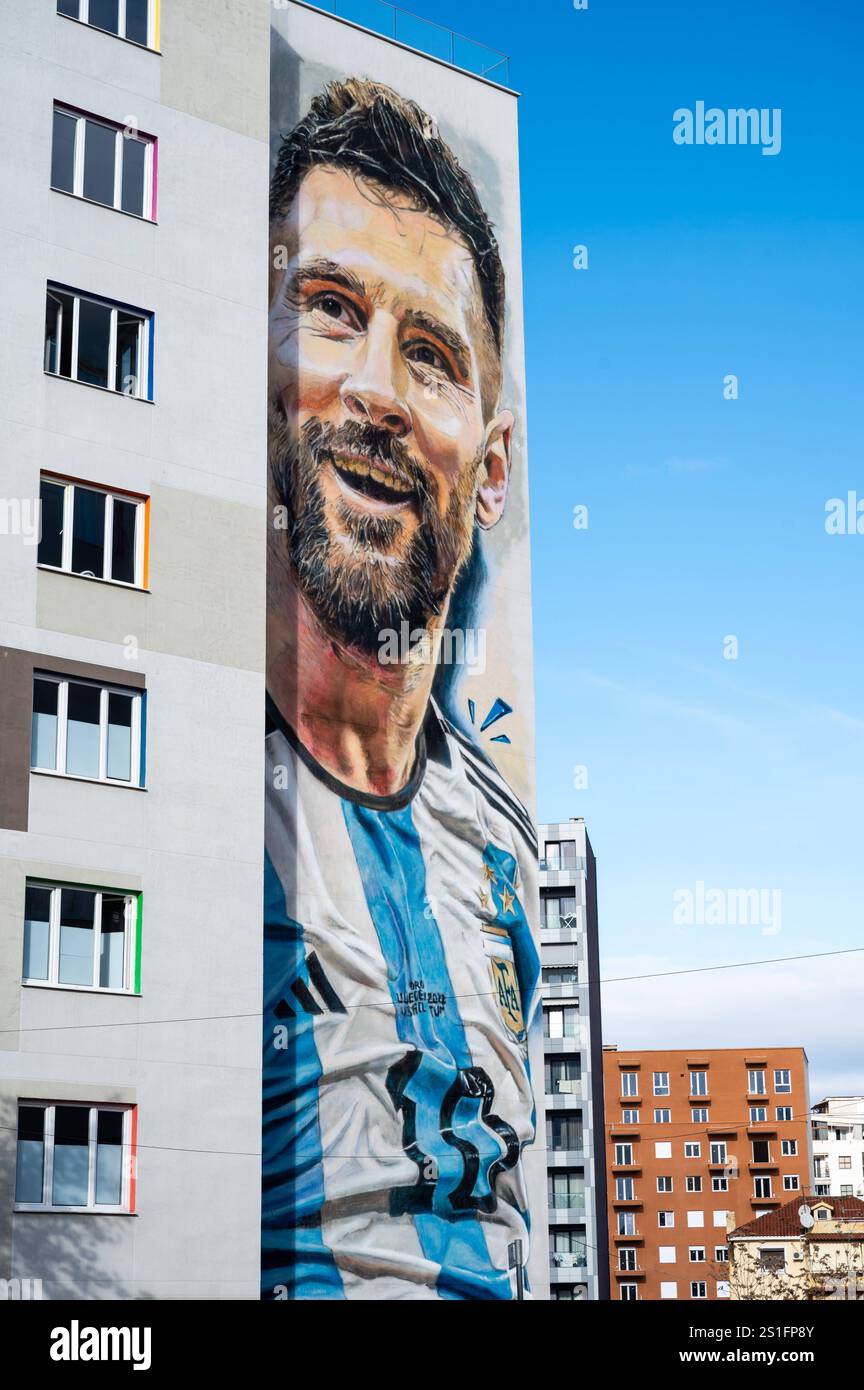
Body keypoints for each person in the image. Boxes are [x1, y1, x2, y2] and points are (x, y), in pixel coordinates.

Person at [263, 77, 540, 1301]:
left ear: (492, 466)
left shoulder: (506, 855)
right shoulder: (175, 788)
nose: (377, 392)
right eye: (329, 310)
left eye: (429, 353)